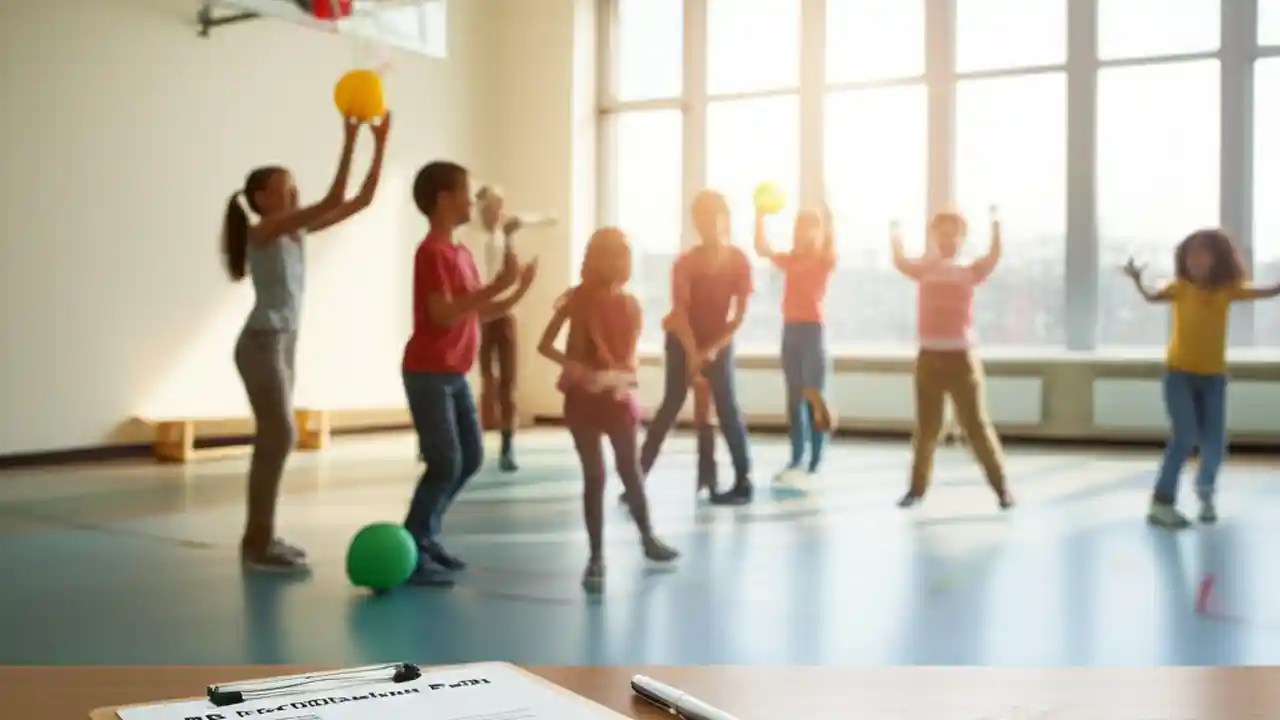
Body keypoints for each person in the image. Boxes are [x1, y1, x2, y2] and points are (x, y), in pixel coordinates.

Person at [222, 113, 391, 572]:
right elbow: (335, 195)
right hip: (261, 342)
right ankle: (258, 541)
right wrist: (351, 136)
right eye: (284, 187)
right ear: (261, 199)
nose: (293, 193)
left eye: (294, 186)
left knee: (275, 438)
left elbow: (359, 200)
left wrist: (380, 144)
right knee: (279, 435)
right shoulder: (263, 231)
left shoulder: (295, 231)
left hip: (283, 342)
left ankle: (260, 537)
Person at [402, 161, 538, 585]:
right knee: (444, 462)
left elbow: (479, 312)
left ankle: (427, 534)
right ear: (444, 199)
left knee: (471, 457)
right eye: (466, 192)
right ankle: (416, 540)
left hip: (454, 374)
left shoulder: (461, 253)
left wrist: (517, 289)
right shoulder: (432, 253)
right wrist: (497, 286)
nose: (472, 200)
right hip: (428, 372)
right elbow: (443, 313)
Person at [538, 228, 680, 591]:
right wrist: (576, 368)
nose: (616, 262)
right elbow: (545, 344)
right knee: (595, 476)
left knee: (630, 470)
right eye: (609, 255)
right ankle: (596, 556)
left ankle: (648, 538)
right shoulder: (576, 300)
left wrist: (621, 378)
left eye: (622, 255)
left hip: (615, 397)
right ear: (594, 259)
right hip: (583, 398)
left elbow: (628, 354)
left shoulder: (631, 304)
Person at [1123, 229, 1280, 528]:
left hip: (1213, 379)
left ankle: (1206, 492)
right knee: (1184, 436)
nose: (1194, 258)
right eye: (1189, 253)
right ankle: (1161, 502)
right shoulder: (1180, 287)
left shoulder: (1228, 288)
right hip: (1178, 374)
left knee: (1215, 442)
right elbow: (1152, 297)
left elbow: (1269, 290)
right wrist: (1137, 280)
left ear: (1217, 258)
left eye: (1202, 253)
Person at [891, 207, 1013, 511]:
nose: (948, 238)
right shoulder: (924, 268)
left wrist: (996, 225)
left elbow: (993, 256)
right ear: (933, 236)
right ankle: (915, 491)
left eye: (954, 232)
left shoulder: (969, 270)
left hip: (961, 359)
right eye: (942, 232)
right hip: (929, 358)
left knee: (976, 427)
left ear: (962, 237)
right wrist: (895, 233)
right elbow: (900, 261)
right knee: (927, 430)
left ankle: (1002, 489)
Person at [639, 190, 754, 505]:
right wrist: (693, 354)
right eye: (700, 218)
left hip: (719, 341)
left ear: (725, 220)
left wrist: (712, 350)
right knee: (671, 405)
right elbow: (679, 313)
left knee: (726, 407)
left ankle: (743, 480)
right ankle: (636, 478)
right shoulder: (685, 263)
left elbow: (739, 316)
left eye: (713, 216)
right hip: (682, 338)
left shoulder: (739, 260)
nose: (707, 224)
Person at [753, 201, 837, 478]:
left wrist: (827, 213)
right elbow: (762, 248)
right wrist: (760, 215)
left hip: (812, 330)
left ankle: (816, 456)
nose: (803, 231)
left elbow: (830, 241)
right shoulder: (791, 259)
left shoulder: (823, 259)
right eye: (799, 226)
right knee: (794, 397)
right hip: (790, 329)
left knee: (813, 395)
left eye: (810, 227)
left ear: (818, 231)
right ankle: (796, 456)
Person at [472, 185, 523, 472]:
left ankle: (507, 444)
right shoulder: (470, 239)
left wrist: (510, 240)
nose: (495, 212)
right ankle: (477, 438)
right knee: (486, 379)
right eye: (489, 207)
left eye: (498, 207)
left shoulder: (505, 238)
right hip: (480, 316)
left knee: (507, 381)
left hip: (504, 315)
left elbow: (510, 276)